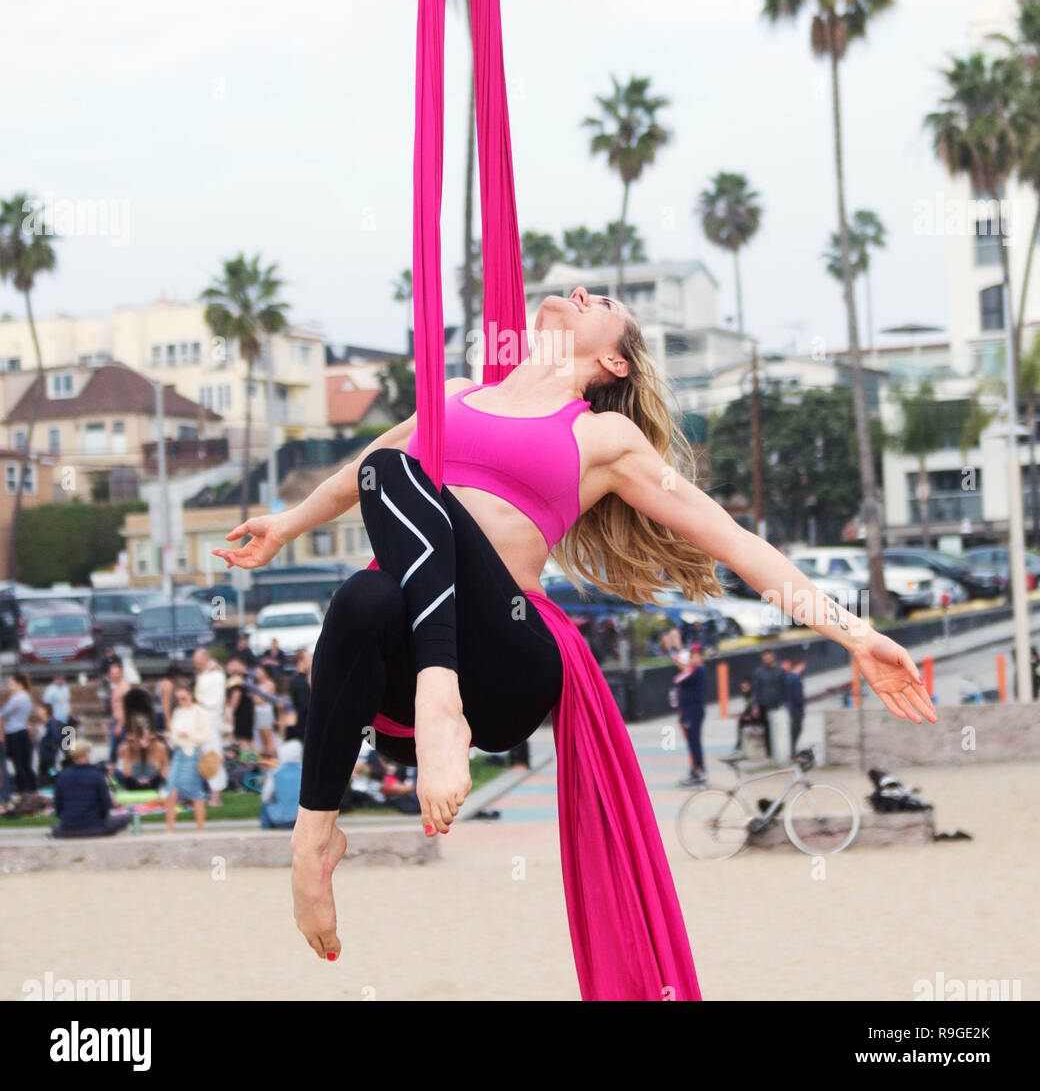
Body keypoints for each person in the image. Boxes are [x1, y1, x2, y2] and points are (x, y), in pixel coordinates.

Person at [214, 285, 936, 974]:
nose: (583, 294)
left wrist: (855, 634)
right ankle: (314, 840)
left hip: (503, 664)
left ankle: (442, 705)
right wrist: (284, 526)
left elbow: (736, 542)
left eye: (605, 302)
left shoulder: (604, 437)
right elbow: (357, 479)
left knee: (391, 475)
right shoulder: (453, 396)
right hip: (411, 678)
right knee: (368, 566)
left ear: (614, 362)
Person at [51, 741, 129, 838]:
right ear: (87, 754)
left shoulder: (62, 777)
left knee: (55, 827)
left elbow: (58, 805)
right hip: (94, 825)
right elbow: (106, 804)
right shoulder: (96, 775)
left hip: (68, 827)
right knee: (125, 818)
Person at [164, 681, 209, 831]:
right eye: (178, 699)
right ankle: (169, 828)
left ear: (191, 695)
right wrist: (173, 738)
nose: (181, 702)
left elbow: (205, 736)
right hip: (178, 752)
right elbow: (173, 734)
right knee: (171, 789)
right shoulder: (178, 712)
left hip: (192, 753)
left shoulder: (199, 712)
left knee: (195, 791)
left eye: (183, 698)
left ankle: (200, 828)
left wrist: (188, 735)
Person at [192, 647, 227, 804]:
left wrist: (199, 703)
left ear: (206, 659)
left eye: (198, 663)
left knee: (213, 755)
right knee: (203, 756)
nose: (196, 666)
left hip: (210, 720)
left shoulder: (217, 674)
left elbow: (216, 700)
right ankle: (205, 792)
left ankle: (216, 795)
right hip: (200, 720)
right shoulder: (204, 674)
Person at [674, 647, 707, 787]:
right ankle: (695, 770)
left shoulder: (699, 670)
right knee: (692, 742)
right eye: (691, 657)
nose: (692, 659)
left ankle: (699, 771)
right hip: (687, 711)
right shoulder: (693, 670)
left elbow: (678, 679)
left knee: (694, 741)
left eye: (695, 656)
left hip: (694, 711)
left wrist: (684, 666)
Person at [1, 673, 37, 794]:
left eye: (12, 684)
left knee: (19, 762)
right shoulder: (24, 696)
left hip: (15, 732)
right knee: (23, 762)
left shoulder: (18, 698)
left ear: (19, 684)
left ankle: (24, 787)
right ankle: (30, 786)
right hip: (20, 730)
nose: (10, 687)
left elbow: (4, 713)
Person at [751, 650, 789, 761]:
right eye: (764, 657)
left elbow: (784, 688)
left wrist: (785, 702)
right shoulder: (759, 672)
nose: (766, 659)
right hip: (763, 704)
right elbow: (756, 689)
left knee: (779, 729)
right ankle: (769, 754)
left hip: (777, 704)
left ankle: (781, 753)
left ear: (773, 657)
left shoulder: (780, 671)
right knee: (766, 730)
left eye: (768, 657)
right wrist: (755, 705)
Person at [260, 738, 303, 830]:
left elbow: (265, 797)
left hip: (281, 821)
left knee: (265, 807)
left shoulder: (275, 773)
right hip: (302, 820)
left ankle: (266, 828)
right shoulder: (306, 773)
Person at [250, 665, 283, 761]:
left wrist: (256, 699)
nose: (257, 674)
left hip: (265, 712)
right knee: (261, 736)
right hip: (258, 712)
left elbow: (261, 699)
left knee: (268, 736)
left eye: (259, 672)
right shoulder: (256, 684)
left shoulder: (270, 684)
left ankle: (272, 758)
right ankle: (264, 759)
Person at [225, 658, 256, 747]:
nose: (231, 666)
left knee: (242, 740)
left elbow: (236, 695)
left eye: (233, 664)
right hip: (247, 711)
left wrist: (230, 712)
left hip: (241, 712)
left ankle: (248, 756)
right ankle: (254, 755)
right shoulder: (246, 678)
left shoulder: (237, 679)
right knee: (248, 740)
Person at [104, 661, 130, 765]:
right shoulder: (114, 687)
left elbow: (126, 708)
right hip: (115, 720)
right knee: (113, 751)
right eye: (112, 673)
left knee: (119, 749)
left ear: (121, 673)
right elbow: (115, 707)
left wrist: (120, 725)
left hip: (122, 722)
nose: (114, 675)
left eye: (116, 673)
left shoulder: (125, 688)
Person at [284, 650, 311, 744]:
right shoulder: (300, 681)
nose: (311, 661)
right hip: (303, 727)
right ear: (300, 661)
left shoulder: (297, 680)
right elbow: (304, 706)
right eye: (309, 659)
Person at [36, 703, 63, 782]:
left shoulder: (50, 723)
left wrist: (48, 745)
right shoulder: (45, 723)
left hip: (48, 755)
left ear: (45, 711)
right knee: (47, 770)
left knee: (50, 770)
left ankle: (54, 782)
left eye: (39, 710)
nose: (37, 712)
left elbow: (56, 736)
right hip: (44, 754)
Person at [785, 657, 807, 753]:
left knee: (795, 728)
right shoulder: (795, 678)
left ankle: (792, 748)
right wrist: (801, 706)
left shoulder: (789, 677)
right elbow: (797, 695)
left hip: (792, 707)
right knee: (796, 728)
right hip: (796, 708)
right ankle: (792, 749)